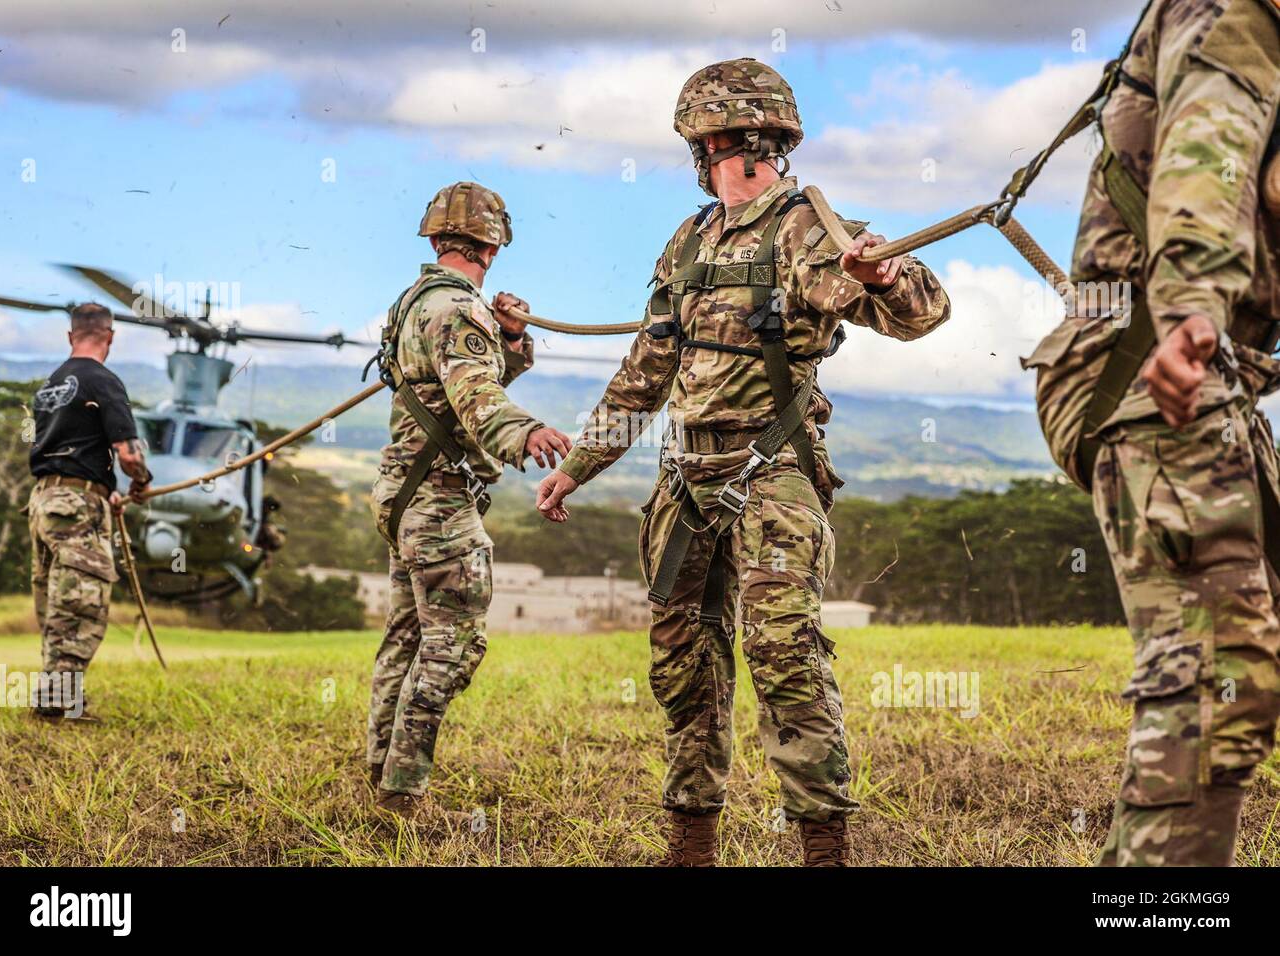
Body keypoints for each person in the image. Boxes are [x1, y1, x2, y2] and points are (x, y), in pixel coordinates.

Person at [535, 59, 951, 865]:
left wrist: (888, 275)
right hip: (685, 479)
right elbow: (645, 373)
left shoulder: (809, 227)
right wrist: (578, 466)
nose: (728, 152)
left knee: (781, 645)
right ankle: (692, 843)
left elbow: (924, 312)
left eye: (723, 139)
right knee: (682, 659)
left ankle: (822, 847)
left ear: (706, 139)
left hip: (774, 470)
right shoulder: (687, 241)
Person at [1024, 0, 1280, 865]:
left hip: (1213, 372)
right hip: (1145, 357)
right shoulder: (1239, 16)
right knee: (1217, 674)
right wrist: (1195, 309)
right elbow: (1205, 161)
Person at [368, 181, 571, 818]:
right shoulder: (458, 310)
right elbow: (476, 398)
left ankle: (383, 777)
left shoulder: (413, 303)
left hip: (405, 499)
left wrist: (509, 337)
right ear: (493, 245)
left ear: (432, 238)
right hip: (439, 505)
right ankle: (403, 798)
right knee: (453, 647)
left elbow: (457, 382)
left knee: (406, 641)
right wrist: (525, 432)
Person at [28, 302, 151, 721]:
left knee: (55, 600)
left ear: (70, 337)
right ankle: (58, 702)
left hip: (44, 501)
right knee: (81, 600)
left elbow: (69, 450)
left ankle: (54, 696)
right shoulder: (104, 380)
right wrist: (139, 482)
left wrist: (105, 491)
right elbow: (128, 454)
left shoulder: (50, 384)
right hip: (78, 505)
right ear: (110, 337)